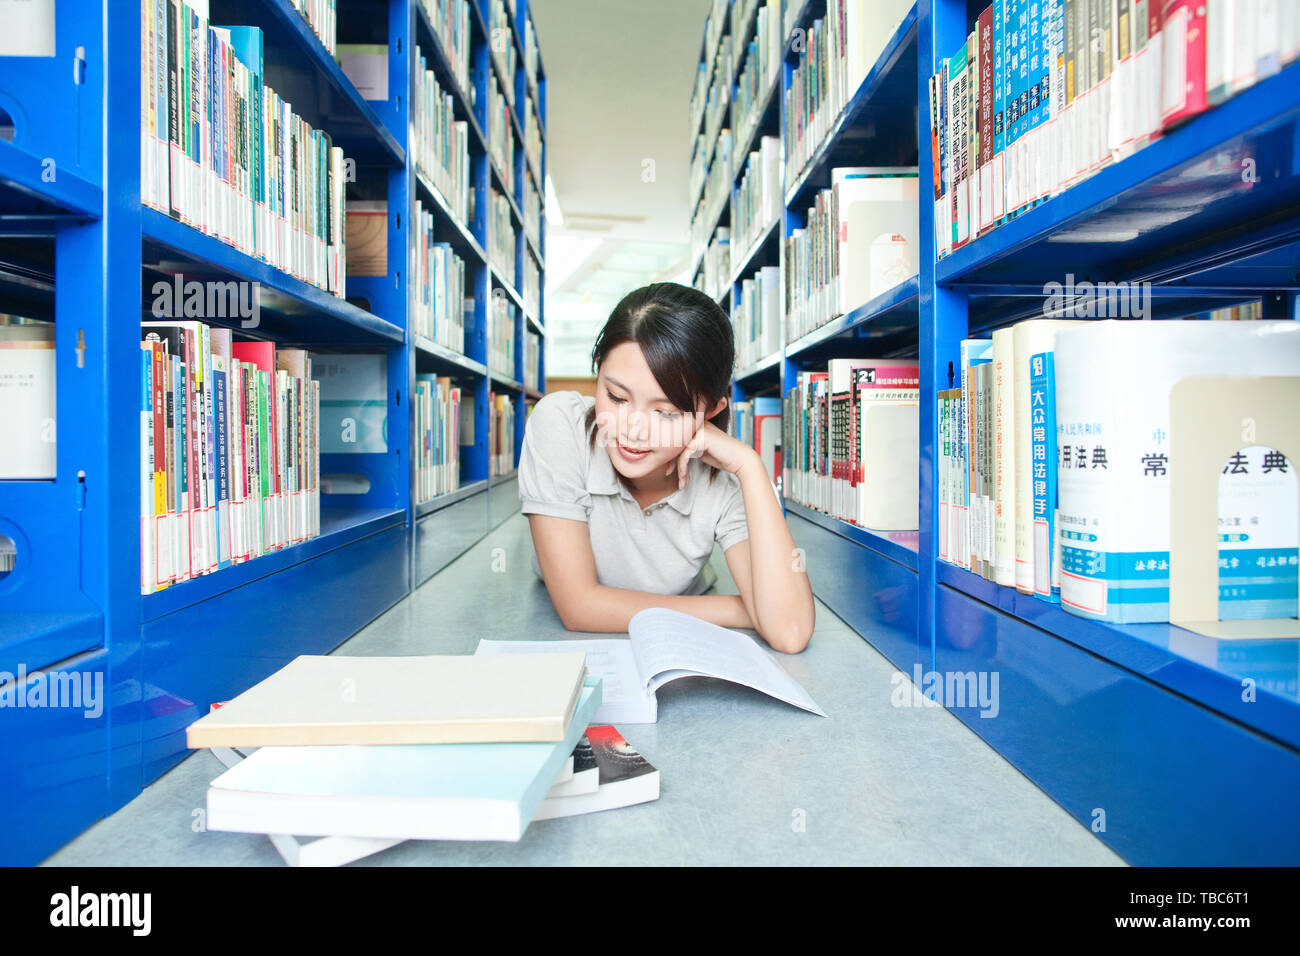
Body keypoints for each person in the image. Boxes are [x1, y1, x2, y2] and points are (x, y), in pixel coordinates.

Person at [518, 282, 815, 653]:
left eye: (667, 412)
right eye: (616, 396)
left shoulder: (725, 477)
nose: (632, 428)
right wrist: (742, 609)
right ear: (598, 372)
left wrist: (751, 466)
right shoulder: (561, 422)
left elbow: (789, 631)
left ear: (711, 413)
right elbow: (578, 608)